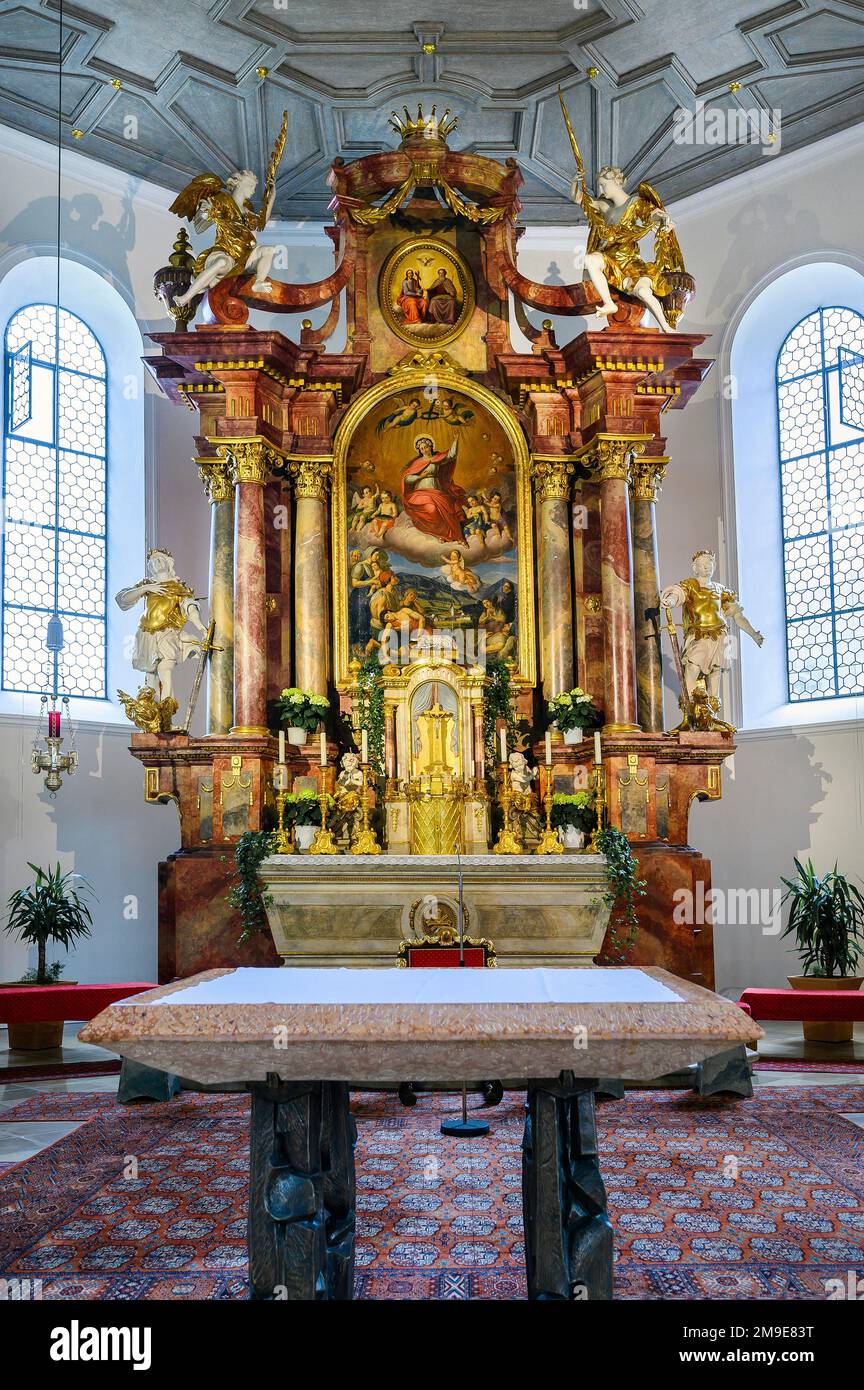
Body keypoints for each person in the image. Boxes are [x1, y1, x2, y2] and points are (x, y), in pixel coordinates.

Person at [660, 549, 763, 711]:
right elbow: (678, 594)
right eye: (702, 564)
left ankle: (712, 713)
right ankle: (691, 710)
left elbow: (737, 616)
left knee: (716, 672)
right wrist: (671, 601)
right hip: (698, 635)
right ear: (695, 568)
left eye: (710, 563)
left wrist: (753, 634)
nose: (707, 567)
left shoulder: (721, 590)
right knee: (693, 667)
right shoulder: (691, 586)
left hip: (719, 636)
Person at [115, 548, 207, 703]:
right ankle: (153, 716)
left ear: (169, 563)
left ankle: (167, 710)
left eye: (160, 559)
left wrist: (199, 625)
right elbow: (122, 600)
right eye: (153, 561)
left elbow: (189, 606)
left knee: (165, 670)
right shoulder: (146, 584)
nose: (156, 562)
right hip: (146, 633)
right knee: (151, 676)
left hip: (168, 633)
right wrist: (145, 588)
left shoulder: (178, 587)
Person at [401, 436, 466, 542]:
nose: (424, 450)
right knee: (431, 509)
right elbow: (407, 479)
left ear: (430, 446)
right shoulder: (417, 462)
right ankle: (437, 532)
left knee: (446, 510)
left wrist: (455, 441)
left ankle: (447, 535)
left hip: (436, 489)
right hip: (421, 491)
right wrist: (421, 476)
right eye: (421, 449)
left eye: (425, 447)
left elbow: (451, 455)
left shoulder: (437, 459)